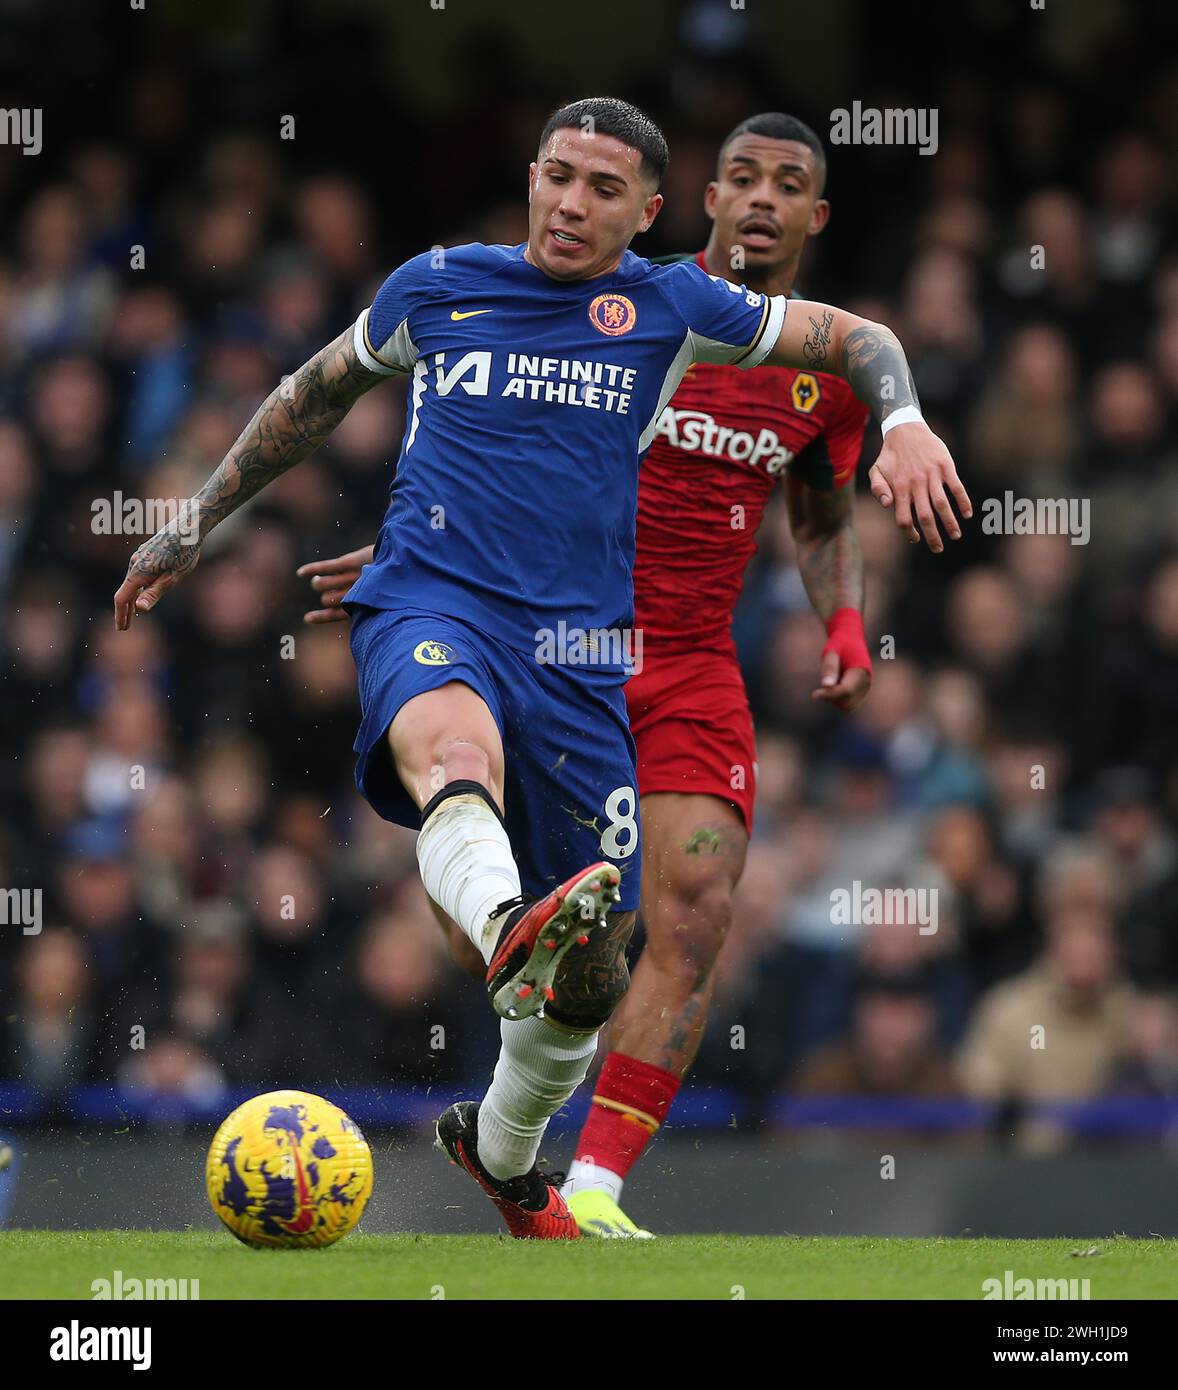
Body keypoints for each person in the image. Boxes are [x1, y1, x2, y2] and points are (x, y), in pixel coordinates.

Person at [115, 96, 969, 1239]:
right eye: (557, 176)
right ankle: (516, 918)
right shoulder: (435, 283)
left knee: (591, 983)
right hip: (435, 603)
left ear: (649, 212)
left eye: (602, 189)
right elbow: (313, 393)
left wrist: (903, 421)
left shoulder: (675, 308)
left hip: (584, 657)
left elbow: (855, 344)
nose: (571, 204)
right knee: (454, 753)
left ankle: (509, 1152)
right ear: (530, 176)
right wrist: (195, 519)